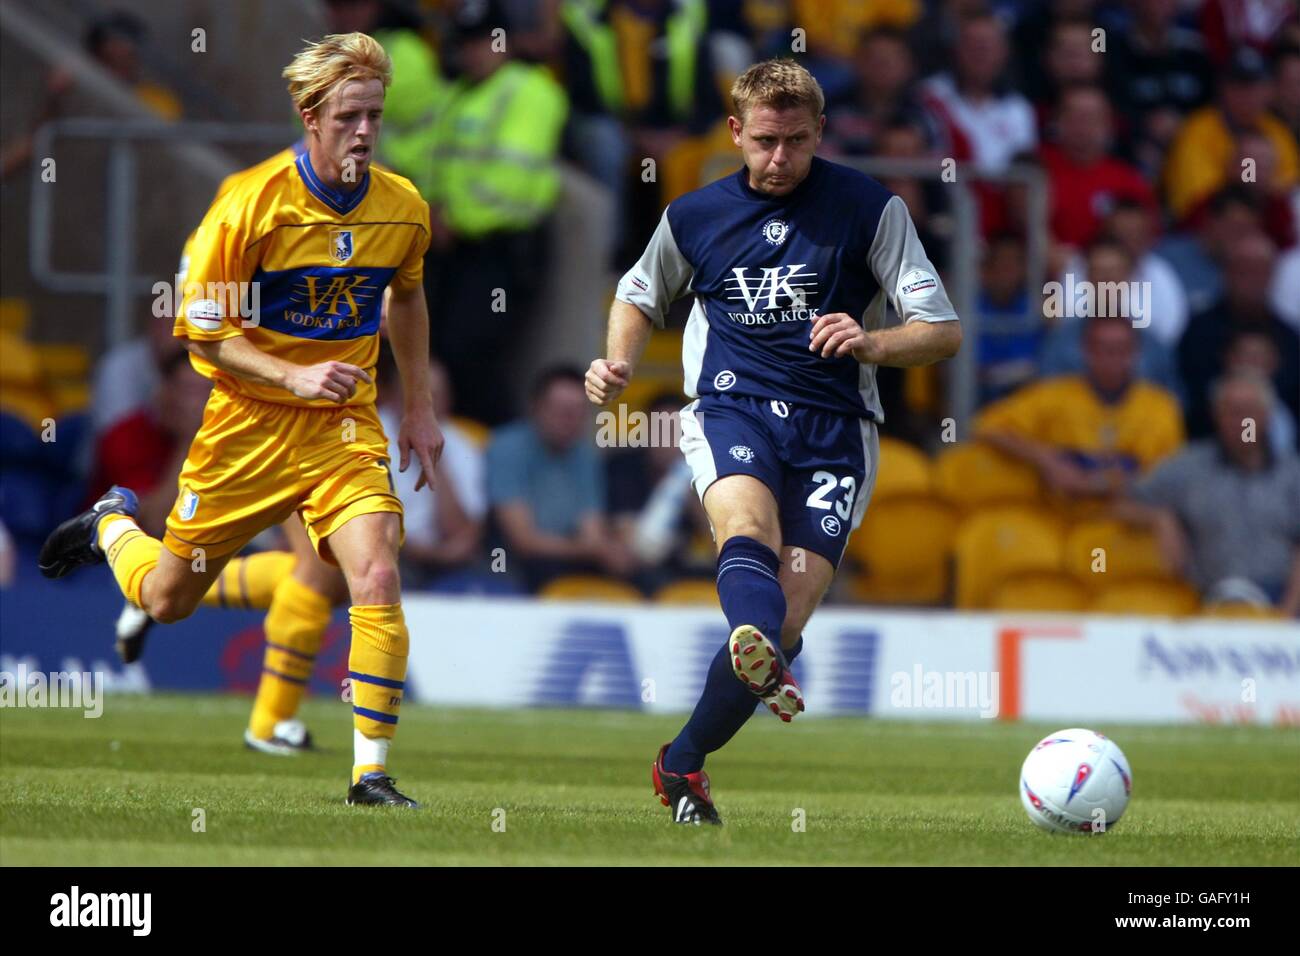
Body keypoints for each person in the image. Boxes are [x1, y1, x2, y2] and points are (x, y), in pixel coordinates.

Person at [38, 33, 443, 808]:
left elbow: (409, 297)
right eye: (350, 116)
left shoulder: (403, 207)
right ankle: (110, 528)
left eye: (376, 117)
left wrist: (417, 406)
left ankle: (370, 774)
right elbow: (205, 332)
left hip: (342, 427)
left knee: (376, 570)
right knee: (166, 600)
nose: (365, 132)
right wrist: (293, 371)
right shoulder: (250, 203)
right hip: (247, 429)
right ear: (309, 114)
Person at [587, 59, 961, 824]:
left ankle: (682, 761)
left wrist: (873, 343)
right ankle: (760, 648)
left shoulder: (869, 209)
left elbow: (943, 332)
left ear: (820, 132)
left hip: (836, 429)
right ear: (736, 133)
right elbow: (636, 292)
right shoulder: (694, 215)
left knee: (788, 619)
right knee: (747, 528)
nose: (780, 158)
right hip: (735, 406)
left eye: (796, 140)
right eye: (764, 141)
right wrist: (619, 359)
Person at [1116, 369, 1300, 616]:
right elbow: (1120, 503)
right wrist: (1159, 517)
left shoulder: (1293, 474)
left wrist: (1285, 615)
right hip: (1205, 602)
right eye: (1231, 412)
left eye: (1248, 412)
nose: (1240, 422)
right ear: (1217, 416)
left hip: (1280, 601)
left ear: (1266, 416)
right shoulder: (1188, 467)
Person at [980, 314, 1184, 511]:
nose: (1112, 358)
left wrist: (1095, 483)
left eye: (1120, 349)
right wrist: (1046, 460)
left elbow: (1168, 482)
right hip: (1059, 520)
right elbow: (987, 426)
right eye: (1103, 349)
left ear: (1135, 353)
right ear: (1086, 351)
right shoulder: (1054, 395)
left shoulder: (1160, 407)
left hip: (1124, 521)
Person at [486, 366, 632, 591]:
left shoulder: (584, 455)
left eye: (579, 413)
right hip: (506, 558)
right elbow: (522, 540)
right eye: (563, 412)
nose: (571, 420)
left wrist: (610, 550)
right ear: (535, 408)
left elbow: (591, 528)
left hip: (568, 556)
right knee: (511, 566)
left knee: (635, 575)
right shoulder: (507, 447)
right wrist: (594, 549)